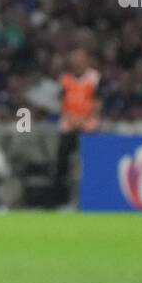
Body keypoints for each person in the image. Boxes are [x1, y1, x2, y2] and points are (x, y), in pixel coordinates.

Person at [54, 48, 101, 206]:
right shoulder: (65, 79)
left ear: (87, 60)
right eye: (75, 59)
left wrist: (84, 120)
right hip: (69, 125)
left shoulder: (94, 78)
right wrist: (72, 120)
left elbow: (98, 102)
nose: (77, 62)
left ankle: (93, 199)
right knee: (62, 164)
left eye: (81, 59)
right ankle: (61, 201)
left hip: (88, 125)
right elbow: (62, 103)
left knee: (92, 164)